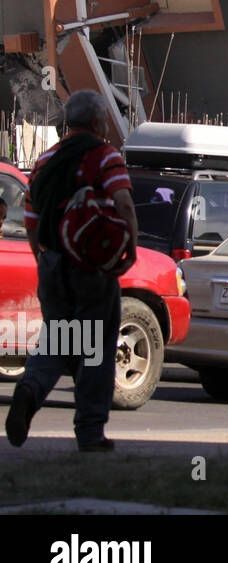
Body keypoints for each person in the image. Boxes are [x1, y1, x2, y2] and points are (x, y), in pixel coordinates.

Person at [6, 90, 137, 452]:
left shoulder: (45, 162)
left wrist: (43, 259)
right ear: (98, 122)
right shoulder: (104, 156)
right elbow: (124, 202)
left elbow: (31, 222)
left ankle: (30, 389)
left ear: (67, 122)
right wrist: (130, 250)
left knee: (61, 338)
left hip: (52, 265)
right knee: (94, 346)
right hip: (92, 270)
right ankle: (90, 431)